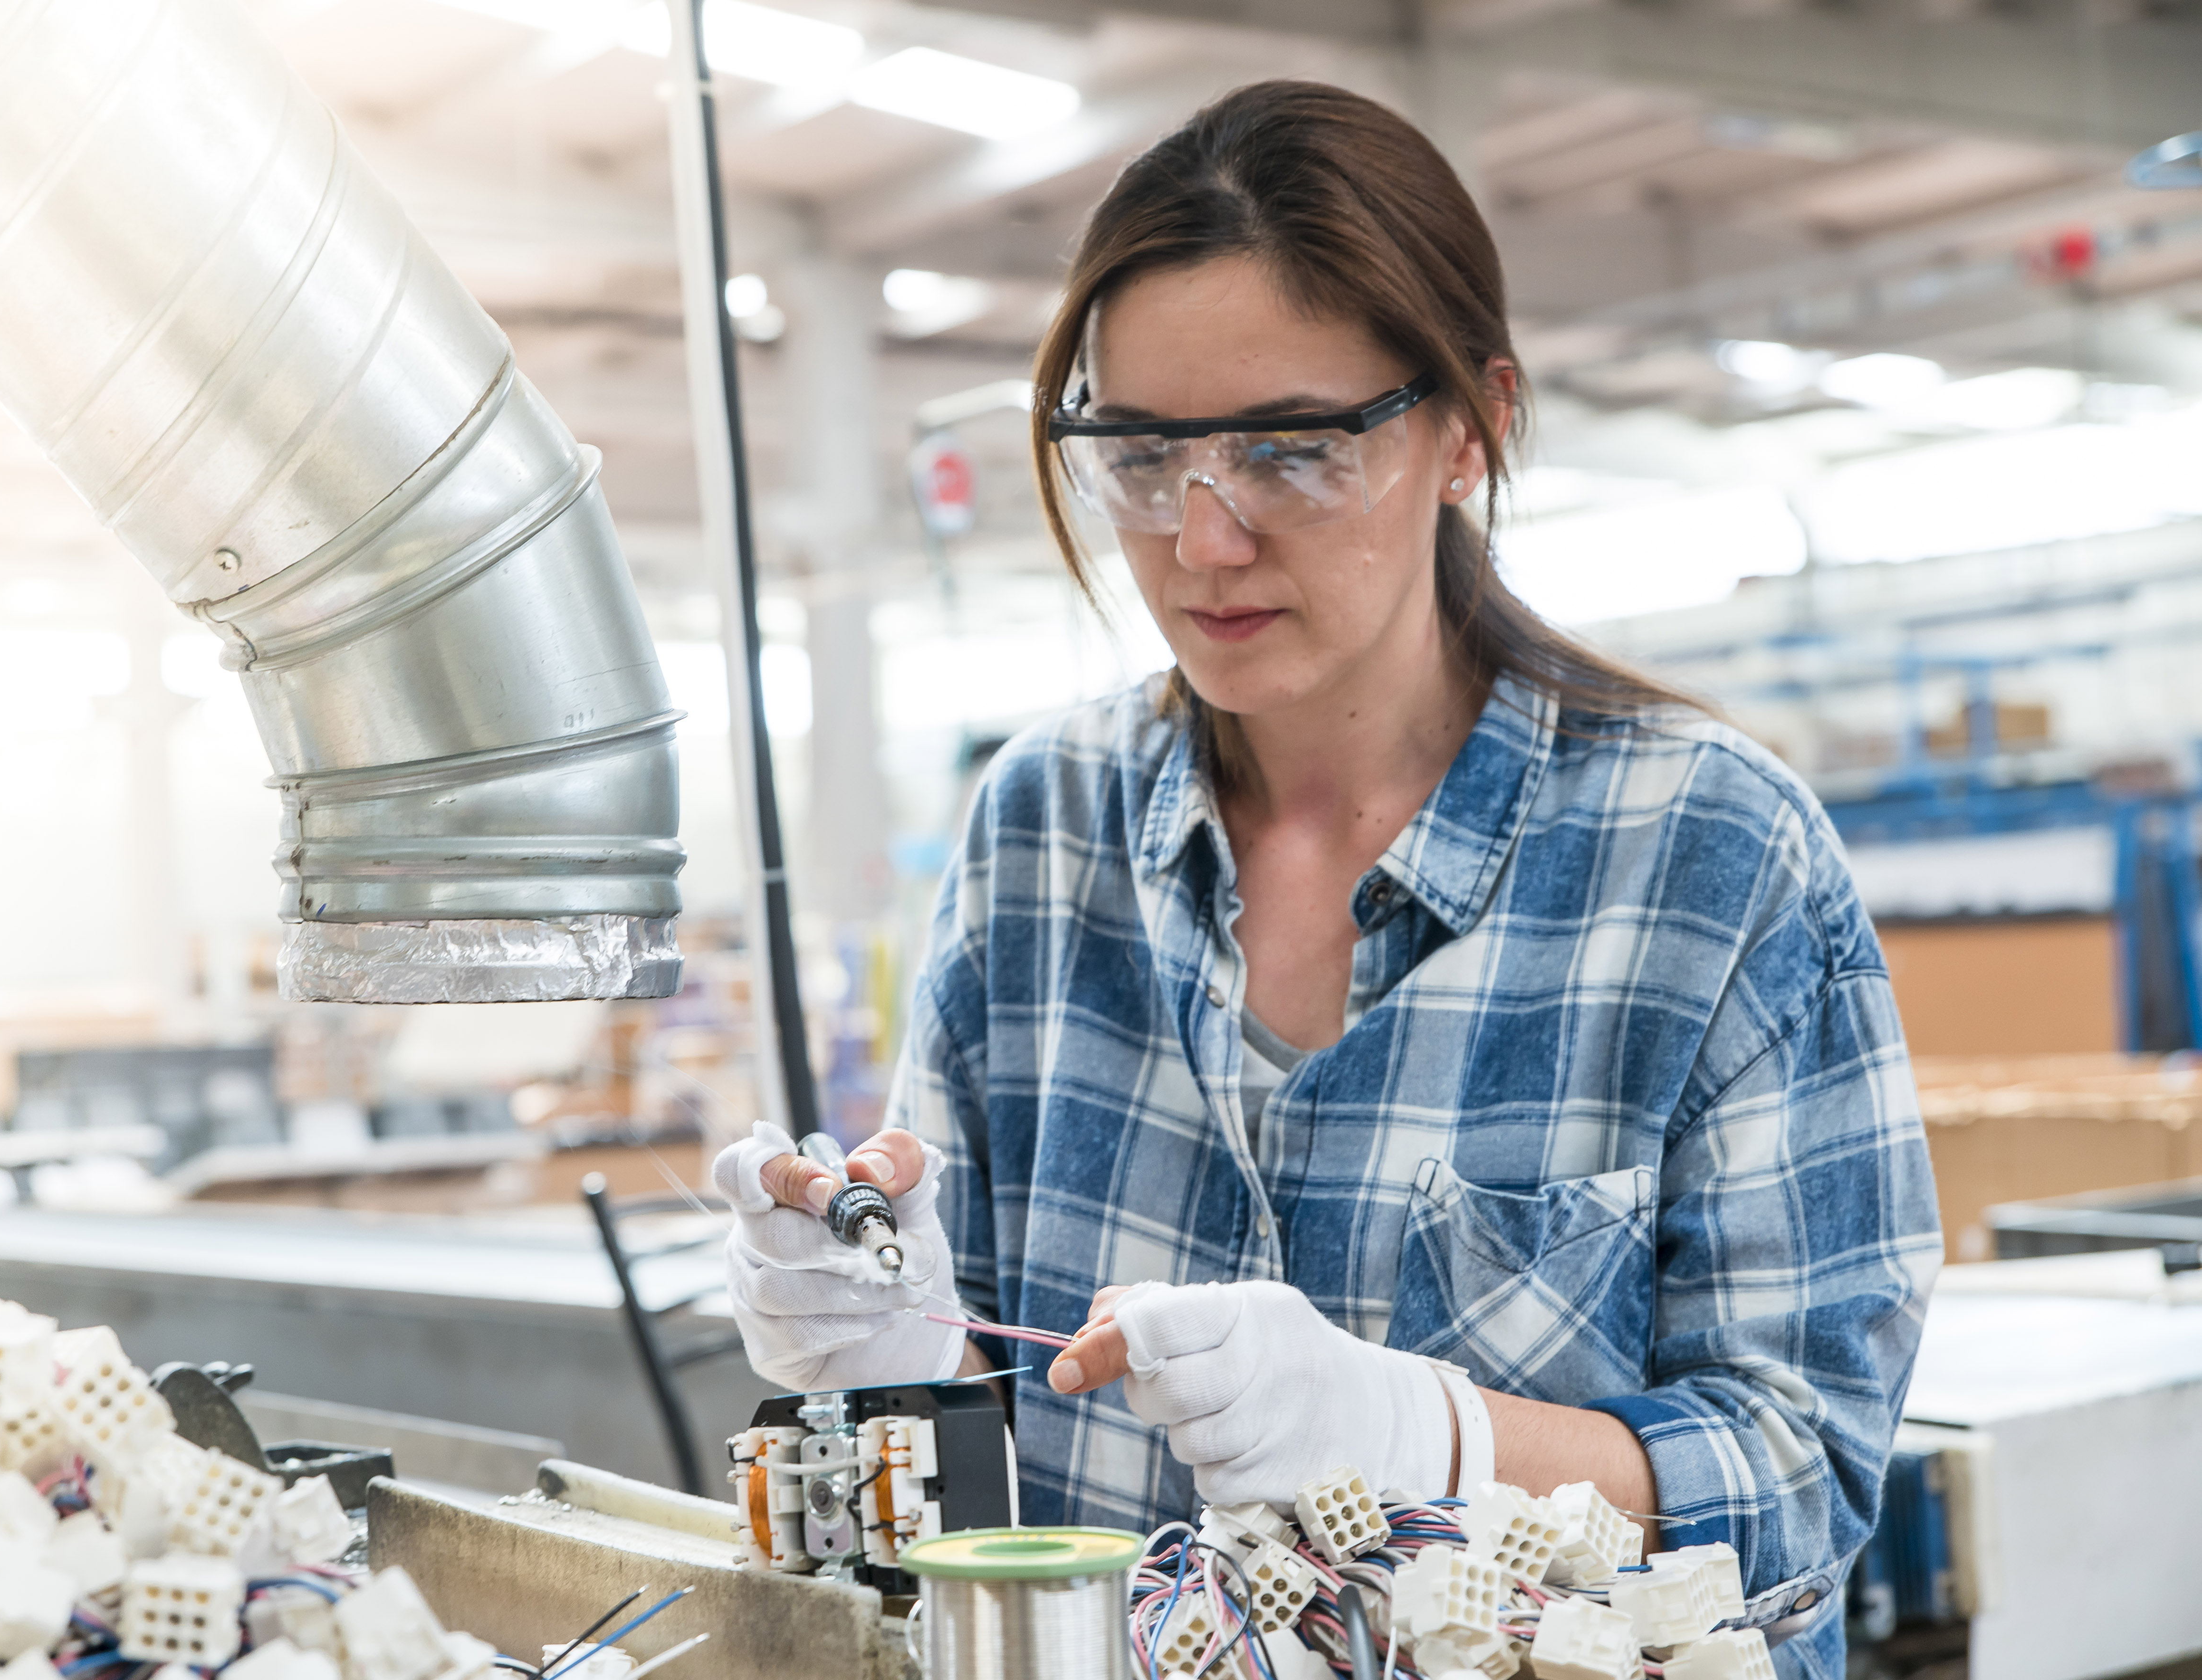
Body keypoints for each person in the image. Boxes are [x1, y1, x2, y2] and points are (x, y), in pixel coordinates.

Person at [711, 78, 1938, 1676]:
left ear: (1465, 428)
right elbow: (974, 1449)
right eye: (1142, 459)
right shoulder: (1040, 839)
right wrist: (883, 1357)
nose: (1204, 540)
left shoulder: (1708, 863)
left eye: (1290, 454)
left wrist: (1430, 1437)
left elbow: (1802, 1482)